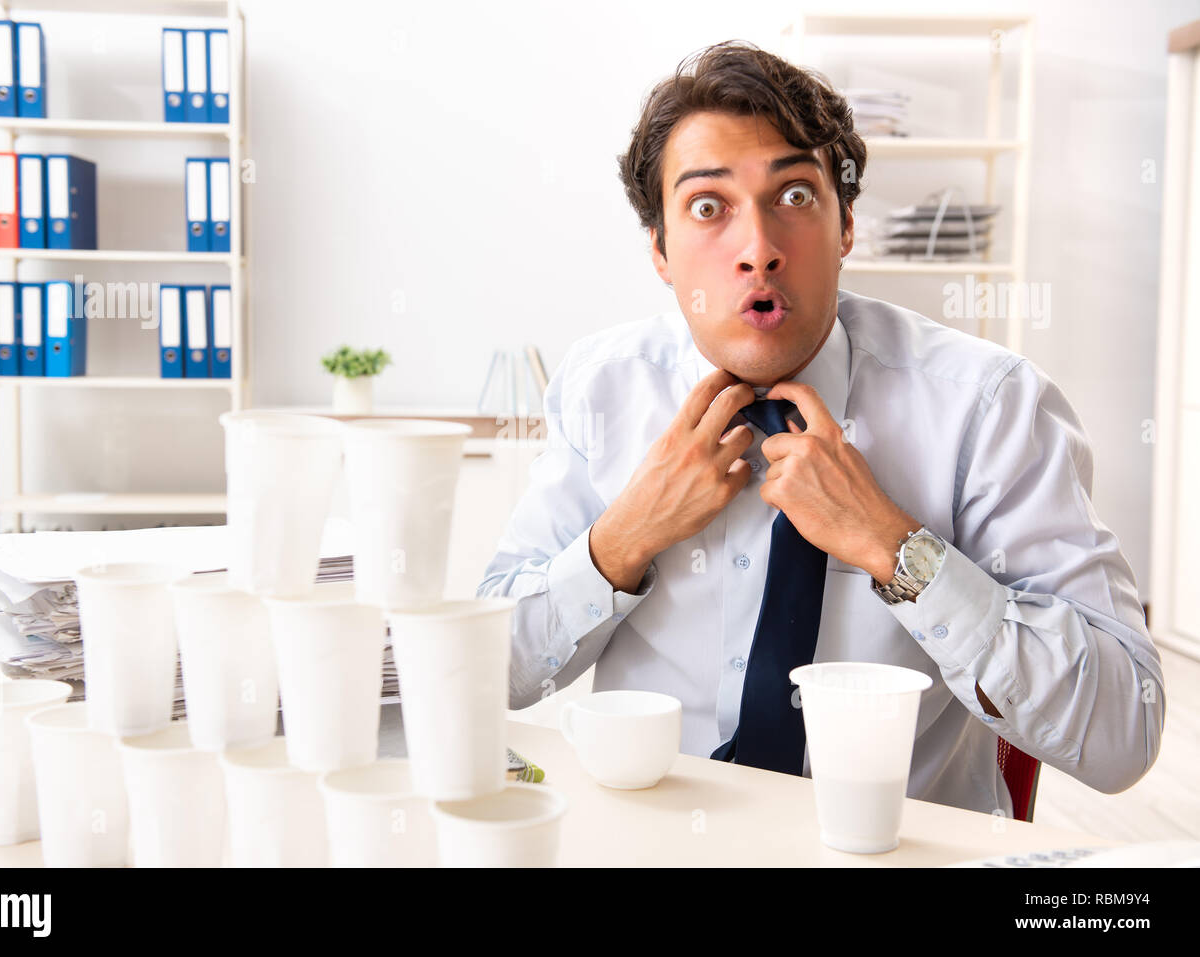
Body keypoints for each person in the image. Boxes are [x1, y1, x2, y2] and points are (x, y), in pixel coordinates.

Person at [476, 40, 1164, 816]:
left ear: (845, 229)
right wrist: (621, 541)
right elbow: (485, 671)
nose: (758, 250)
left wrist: (895, 548)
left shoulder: (990, 407)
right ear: (661, 251)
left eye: (796, 197)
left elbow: (1123, 731)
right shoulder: (601, 388)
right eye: (709, 208)